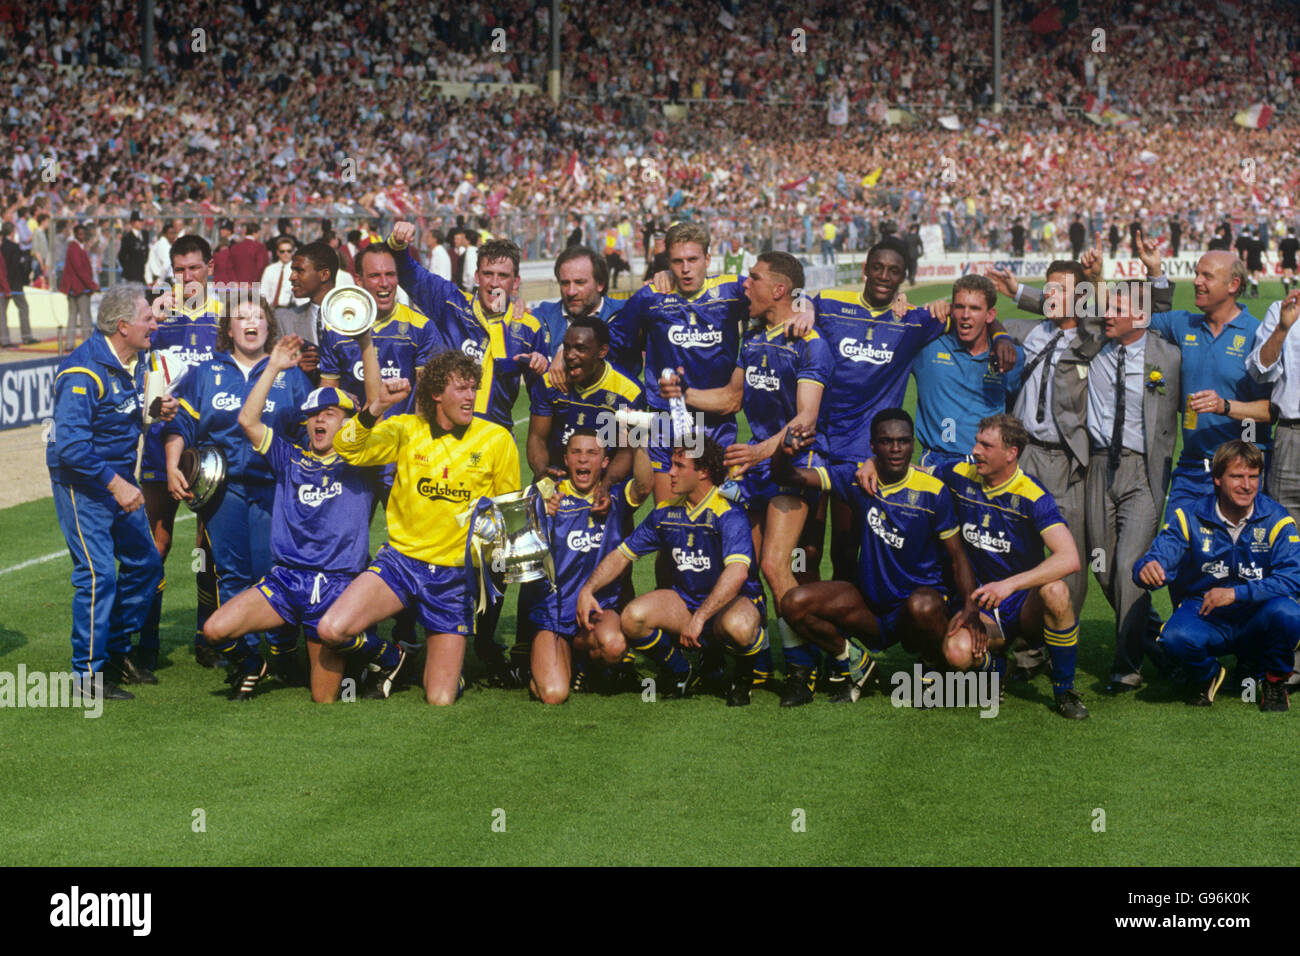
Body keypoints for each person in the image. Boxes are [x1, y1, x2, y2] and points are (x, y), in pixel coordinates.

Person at [201, 331, 407, 702]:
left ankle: (388, 655)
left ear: (348, 422)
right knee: (214, 630)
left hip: (337, 585)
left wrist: (365, 346)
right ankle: (252, 665)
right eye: (311, 416)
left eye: (329, 414)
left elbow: (378, 407)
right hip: (285, 581)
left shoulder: (362, 463)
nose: (317, 421)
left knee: (324, 698)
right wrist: (274, 367)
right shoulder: (289, 456)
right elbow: (248, 420)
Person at [320, 350, 521, 705]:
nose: (471, 396)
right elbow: (345, 447)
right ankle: (390, 657)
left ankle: (448, 669)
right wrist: (378, 406)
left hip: (454, 577)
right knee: (331, 629)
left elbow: (509, 512)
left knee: (440, 698)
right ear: (436, 394)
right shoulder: (404, 429)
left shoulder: (496, 439)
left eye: (474, 387)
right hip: (400, 563)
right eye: (461, 388)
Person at [866, 414, 1087, 718]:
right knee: (955, 653)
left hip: (1022, 604)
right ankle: (997, 667)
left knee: (1057, 591)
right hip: (980, 608)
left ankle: (1065, 690)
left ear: (1011, 453)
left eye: (986, 445)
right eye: (977, 442)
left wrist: (1010, 585)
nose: (976, 451)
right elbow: (913, 470)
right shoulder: (960, 473)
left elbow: (1069, 557)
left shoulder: (1032, 495)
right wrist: (870, 464)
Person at [777, 411, 984, 702]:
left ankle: (931, 665)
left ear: (913, 445)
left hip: (918, 611)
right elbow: (785, 475)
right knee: (793, 603)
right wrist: (783, 453)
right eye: (887, 441)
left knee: (922, 606)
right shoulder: (857, 480)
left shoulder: (933, 491)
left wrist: (971, 608)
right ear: (872, 446)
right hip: (871, 606)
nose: (896, 448)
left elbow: (957, 557)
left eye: (903, 441)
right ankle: (854, 659)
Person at [164, 297, 313, 685]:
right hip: (222, 490)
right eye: (241, 317)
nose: (250, 323)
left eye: (258, 317)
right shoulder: (206, 372)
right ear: (227, 329)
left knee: (272, 571)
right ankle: (244, 659)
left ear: (269, 327)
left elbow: (307, 434)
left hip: (274, 489)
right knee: (230, 573)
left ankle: (283, 651)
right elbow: (181, 424)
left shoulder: (291, 375)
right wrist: (171, 465)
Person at [46, 284, 179, 700]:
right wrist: (116, 482)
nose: (155, 324)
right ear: (123, 326)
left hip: (119, 481)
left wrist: (155, 413)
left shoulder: (137, 362)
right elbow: (69, 447)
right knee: (98, 575)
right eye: (148, 319)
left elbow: (125, 416)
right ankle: (86, 676)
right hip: (85, 484)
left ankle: (118, 650)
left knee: (145, 564)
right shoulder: (83, 372)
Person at [713, 252, 831, 703]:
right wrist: (678, 392)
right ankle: (758, 665)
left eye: (755, 278)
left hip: (791, 468)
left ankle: (806, 668)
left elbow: (805, 420)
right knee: (745, 572)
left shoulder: (810, 343)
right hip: (757, 470)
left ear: (780, 290)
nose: (746, 284)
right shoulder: (755, 337)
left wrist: (760, 451)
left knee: (774, 566)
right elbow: (730, 398)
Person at [1054, 280, 1182, 692]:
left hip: (1143, 473)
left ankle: (1126, 666)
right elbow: (1063, 305)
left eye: (1118, 307)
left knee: (1130, 567)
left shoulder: (1171, 357)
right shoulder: (1094, 345)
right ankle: (1155, 638)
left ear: (1142, 317)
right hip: (1095, 467)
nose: (1107, 313)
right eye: (1106, 306)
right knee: (1104, 568)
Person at [577, 439, 770, 706]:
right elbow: (622, 554)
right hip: (688, 602)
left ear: (702, 472)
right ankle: (681, 670)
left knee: (737, 627)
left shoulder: (728, 512)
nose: (670, 472)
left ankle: (744, 676)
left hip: (734, 604)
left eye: (679, 466)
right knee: (632, 617)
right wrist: (588, 589)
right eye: (671, 465)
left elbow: (737, 574)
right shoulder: (665, 512)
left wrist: (700, 618)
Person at [1134, 440, 1300, 711]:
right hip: (1207, 614)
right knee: (1174, 638)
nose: (1246, 485)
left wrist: (1236, 593)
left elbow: (1293, 579)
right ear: (1217, 479)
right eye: (1237, 476)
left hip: (1256, 615)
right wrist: (1146, 569)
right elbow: (1158, 558)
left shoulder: (1277, 519)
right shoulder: (1189, 517)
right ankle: (1207, 675)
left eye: (1253, 477)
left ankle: (1274, 680)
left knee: (1291, 614)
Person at [139, 234, 225, 669]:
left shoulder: (226, 314)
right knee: (156, 539)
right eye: (180, 270)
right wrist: (151, 401)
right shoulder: (158, 315)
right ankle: (146, 643)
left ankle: (206, 636)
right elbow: (139, 369)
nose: (187, 278)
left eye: (194, 268)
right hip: (161, 439)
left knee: (207, 545)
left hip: (211, 441)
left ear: (210, 266)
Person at [1144, 249, 1272, 526]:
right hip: (1191, 469)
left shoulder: (1258, 334)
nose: (1196, 281)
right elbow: (1132, 316)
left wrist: (1224, 406)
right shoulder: (1183, 324)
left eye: (1207, 276)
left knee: (1238, 564)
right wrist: (1155, 272)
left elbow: (1272, 410)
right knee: (1175, 557)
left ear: (1233, 285)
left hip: (1243, 472)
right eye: (1196, 274)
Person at [528, 430, 650, 704]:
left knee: (615, 644)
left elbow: (644, 486)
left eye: (592, 453)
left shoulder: (613, 497)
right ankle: (552, 657)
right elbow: (515, 534)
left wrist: (639, 442)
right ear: (566, 459)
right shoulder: (550, 492)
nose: (583, 459)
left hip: (595, 613)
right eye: (576, 453)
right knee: (553, 694)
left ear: (604, 462)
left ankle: (581, 661)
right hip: (554, 614)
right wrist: (539, 509)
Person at [911, 274, 1025, 469]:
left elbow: (1014, 405)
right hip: (936, 461)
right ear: (951, 309)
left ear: (990, 315)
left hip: (986, 464)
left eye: (974, 308)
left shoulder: (1011, 356)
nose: (965, 315)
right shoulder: (927, 348)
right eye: (959, 307)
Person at [1246, 289, 1300, 684]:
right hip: (1292, 436)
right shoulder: (1281, 311)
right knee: (1283, 544)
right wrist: (1283, 328)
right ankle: (1286, 657)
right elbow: (1258, 371)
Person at [533, 245, 631, 368]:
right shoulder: (542, 316)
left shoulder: (626, 313)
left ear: (600, 284)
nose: (571, 292)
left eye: (580, 283)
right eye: (565, 283)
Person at [60, 224, 98, 351]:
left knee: (75, 316)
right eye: (80, 234)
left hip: (77, 287)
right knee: (83, 316)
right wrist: (92, 285)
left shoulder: (77, 247)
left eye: (84, 234)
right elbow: (80, 270)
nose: (83, 236)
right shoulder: (74, 248)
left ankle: (71, 344)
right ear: (76, 234)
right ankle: (86, 343)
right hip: (79, 288)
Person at [1, 222, 32, 346]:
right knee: (23, 308)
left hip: (4, 284)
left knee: (2, 314)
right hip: (12, 285)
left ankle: (4, 340)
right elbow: (15, 267)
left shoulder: (3, 246)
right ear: (12, 232)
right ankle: (26, 337)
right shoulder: (13, 247)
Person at [259, 235, 297, 308]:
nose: (286, 254)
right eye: (282, 251)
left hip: (289, 309)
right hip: (270, 308)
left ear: (293, 252)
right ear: (277, 252)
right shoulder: (269, 269)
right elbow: (263, 291)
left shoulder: (296, 271)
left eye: (289, 251)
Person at [117, 212, 149, 283]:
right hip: (132, 274)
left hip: (143, 272)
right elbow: (121, 256)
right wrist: (129, 268)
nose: (141, 223)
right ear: (132, 222)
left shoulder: (145, 234)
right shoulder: (127, 238)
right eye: (138, 221)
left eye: (141, 221)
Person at [144, 220, 177, 286]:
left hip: (158, 279)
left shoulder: (156, 245)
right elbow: (167, 265)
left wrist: (149, 281)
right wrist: (159, 281)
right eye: (170, 233)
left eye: (174, 233)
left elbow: (148, 264)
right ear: (164, 234)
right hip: (164, 280)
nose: (173, 236)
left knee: (157, 296)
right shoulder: (165, 246)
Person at [1278, 228, 1298, 296]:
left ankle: (1287, 292)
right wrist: (1298, 259)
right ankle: (1294, 285)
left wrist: (1280, 259)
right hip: (1293, 259)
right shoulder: (1296, 241)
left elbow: (1281, 251)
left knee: (1286, 275)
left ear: (1288, 232)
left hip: (1286, 259)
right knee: (1295, 273)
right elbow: (1298, 251)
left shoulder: (1284, 240)